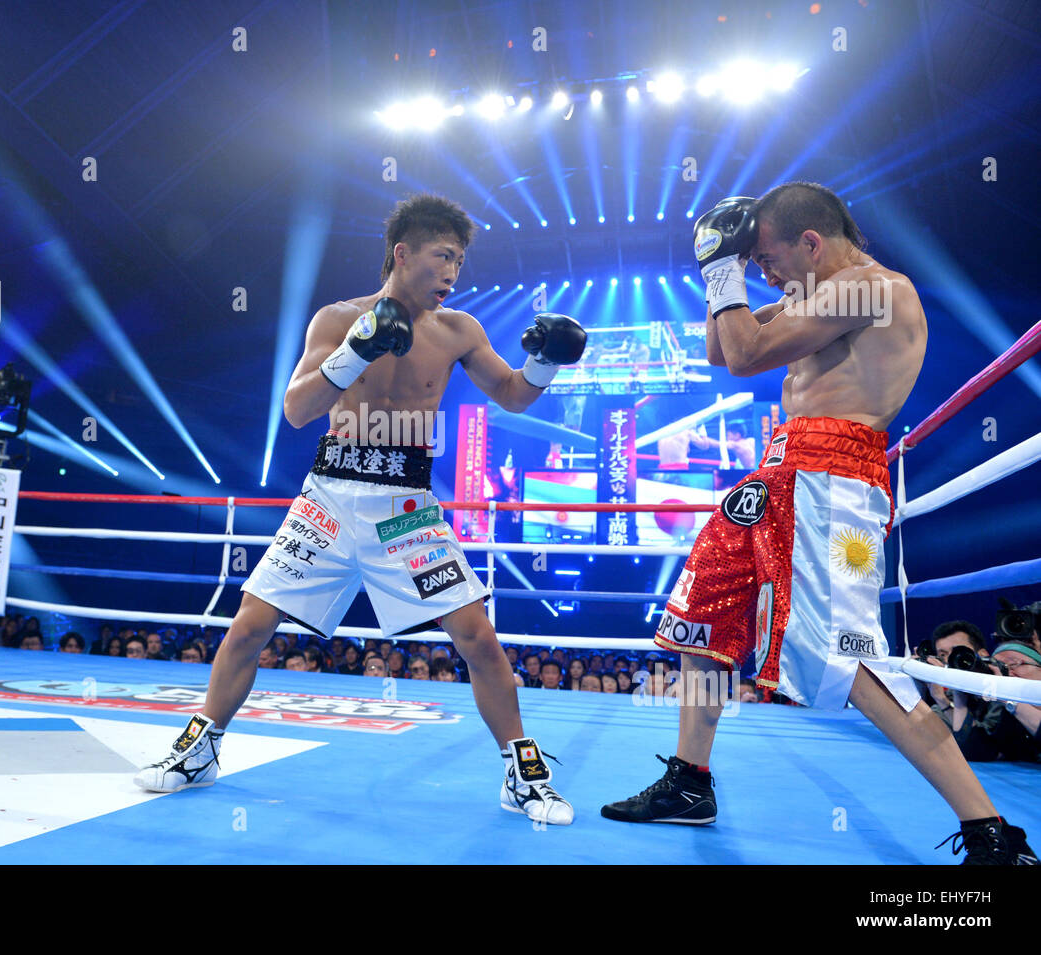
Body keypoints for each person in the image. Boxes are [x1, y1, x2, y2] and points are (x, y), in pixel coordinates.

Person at [601, 184, 1034, 864]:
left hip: (832, 481)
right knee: (704, 617)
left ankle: (991, 831)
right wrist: (724, 272)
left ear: (810, 242)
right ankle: (690, 780)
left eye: (767, 258)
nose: (763, 273)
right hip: (778, 473)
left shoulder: (873, 291)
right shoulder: (812, 296)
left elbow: (744, 354)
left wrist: (722, 269)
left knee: (849, 659)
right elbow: (722, 348)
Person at [135, 193, 586, 825]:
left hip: (406, 508)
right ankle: (200, 749)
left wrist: (545, 362)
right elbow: (296, 410)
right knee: (247, 627)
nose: (454, 274)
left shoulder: (459, 330)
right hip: (329, 497)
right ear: (403, 254)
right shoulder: (337, 319)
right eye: (444, 257)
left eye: (459, 260)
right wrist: (357, 350)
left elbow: (513, 396)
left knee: (477, 638)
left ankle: (522, 772)